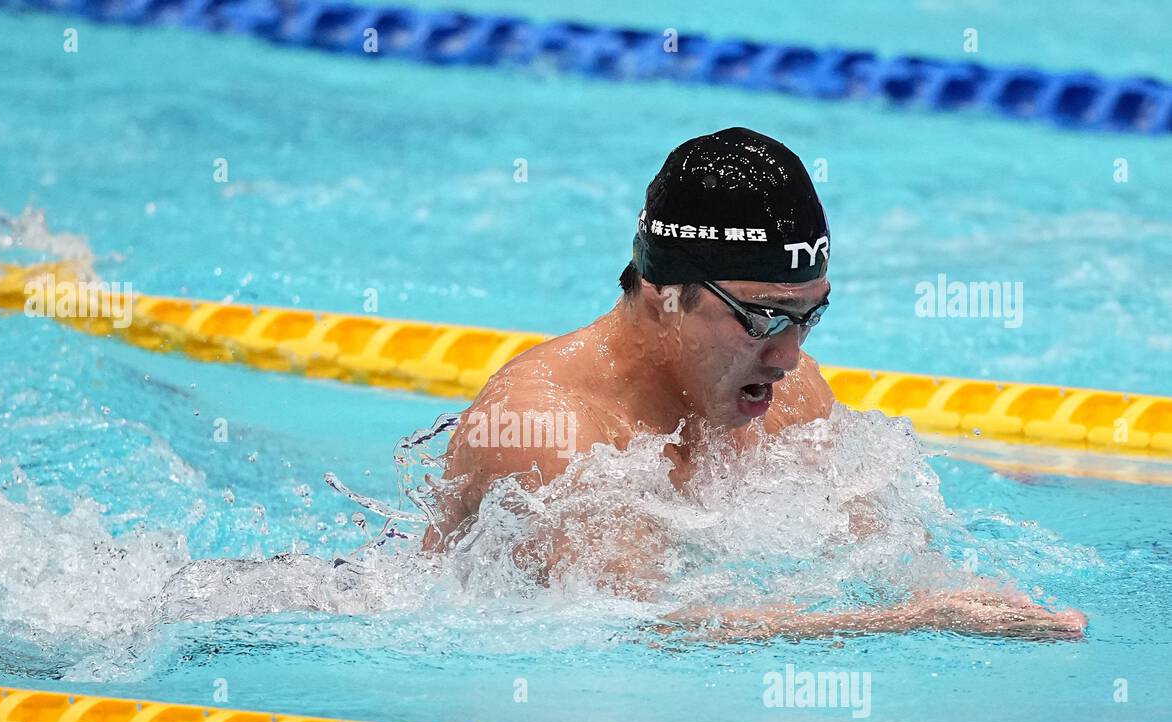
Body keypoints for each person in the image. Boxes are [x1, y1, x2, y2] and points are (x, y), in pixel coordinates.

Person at [423, 127, 1086, 641]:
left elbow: (876, 555)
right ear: (665, 293)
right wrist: (917, 620)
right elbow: (642, 629)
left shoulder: (789, 397)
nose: (790, 355)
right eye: (763, 317)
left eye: (808, 316)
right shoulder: (552, 430)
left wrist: (963, 594)